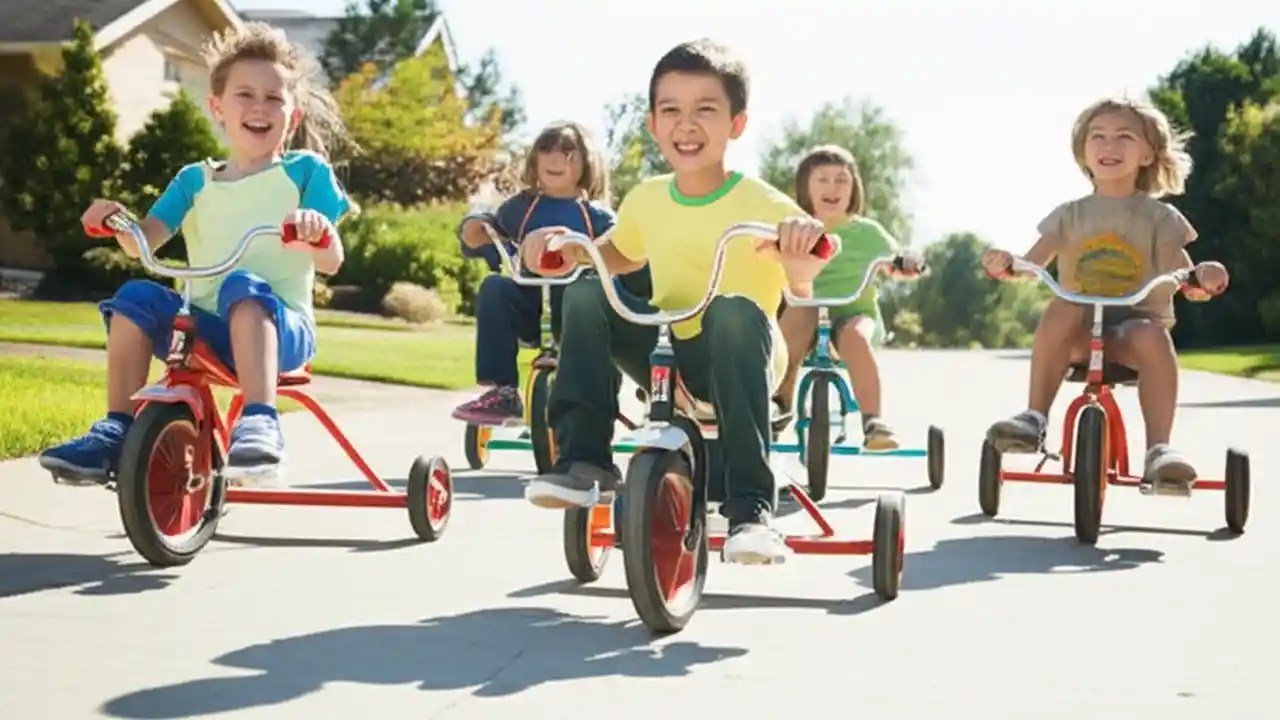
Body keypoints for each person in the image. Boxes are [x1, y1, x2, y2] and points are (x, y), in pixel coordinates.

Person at [517, 38, 835, 565]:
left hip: (737, 354)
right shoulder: (647, 198)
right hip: (667, 352)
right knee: (588, 289)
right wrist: (562, 248)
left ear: (736, 124)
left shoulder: (759, 200)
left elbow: (808, 265)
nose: (687, 125)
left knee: (732, 308)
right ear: (653, 125)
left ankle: (751, 509)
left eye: (705, 111)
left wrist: (803, 238)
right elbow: (612, 255)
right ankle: (583, 460)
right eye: (672, 111)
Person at [39, 22, 352, 486]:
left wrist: (317, 231)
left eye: (274, 98)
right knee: (136, 297)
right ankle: (116, 429)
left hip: (281, 331)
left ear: (294, 115)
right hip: (205, 330)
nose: (260, 108)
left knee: (242, 288)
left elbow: (331, 262)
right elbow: (144, 240)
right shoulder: (194, 180)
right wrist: (118, 222)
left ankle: (261, 421)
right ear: (217, 107)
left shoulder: (306, 172)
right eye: (245, 95)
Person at [980, 96, 1228, 494]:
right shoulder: (1069, 215)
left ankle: (1160, 451)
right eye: (1098, 136)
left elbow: (1182, 271)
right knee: (1063, 307)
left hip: (1132, 332)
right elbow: (1031, 265)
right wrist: (1006, 264)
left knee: (1151, 335)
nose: (1109, 146)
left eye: (1124, 136)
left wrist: (1202, 278)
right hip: (1078, 335)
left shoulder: (1160, 219)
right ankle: (1033, 419)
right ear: (1082, 151)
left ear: (1148, 154)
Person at [453, 121, 621, 425]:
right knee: (494, 286)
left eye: (568, 152)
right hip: (528, 304)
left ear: (587, 163)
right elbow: (490, 231)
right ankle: (503, 392)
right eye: (546, 150)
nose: (555, 159)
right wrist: (475, 227)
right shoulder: (521, 208)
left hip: (576, 314)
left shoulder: (595, 215)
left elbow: (621, 252)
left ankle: (591, 406)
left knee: (591, 297)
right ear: (534, 160)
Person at [773, 144, 920, 451]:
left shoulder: (868, 233)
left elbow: (897, 257)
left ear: (854, 188)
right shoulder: (794, 226)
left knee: (854, 334)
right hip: (806, 310)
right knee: (800, 315)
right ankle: (777, 402)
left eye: (842, 180)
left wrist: (907, 261)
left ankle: (873, 421)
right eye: (822, 179)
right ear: (805, 186)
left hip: (855, 313)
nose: (832, 187)